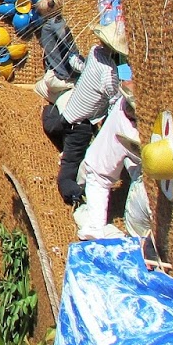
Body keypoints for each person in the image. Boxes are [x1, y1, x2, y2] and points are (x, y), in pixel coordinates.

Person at [43, 19, 127, 207]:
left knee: (50, 119)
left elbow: (80, 66)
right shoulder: (110, 74)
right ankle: (74, 195)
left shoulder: (94, 52)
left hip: (67, 114)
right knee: (68, 172)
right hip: (80, 127)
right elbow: (113, 103)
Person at [76, 91, 141, 241]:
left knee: (87, 181)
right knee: (95, 227)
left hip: (93, 159)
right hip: (100, 174)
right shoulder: (128, 129)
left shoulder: (121, 108)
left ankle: (79, 201)